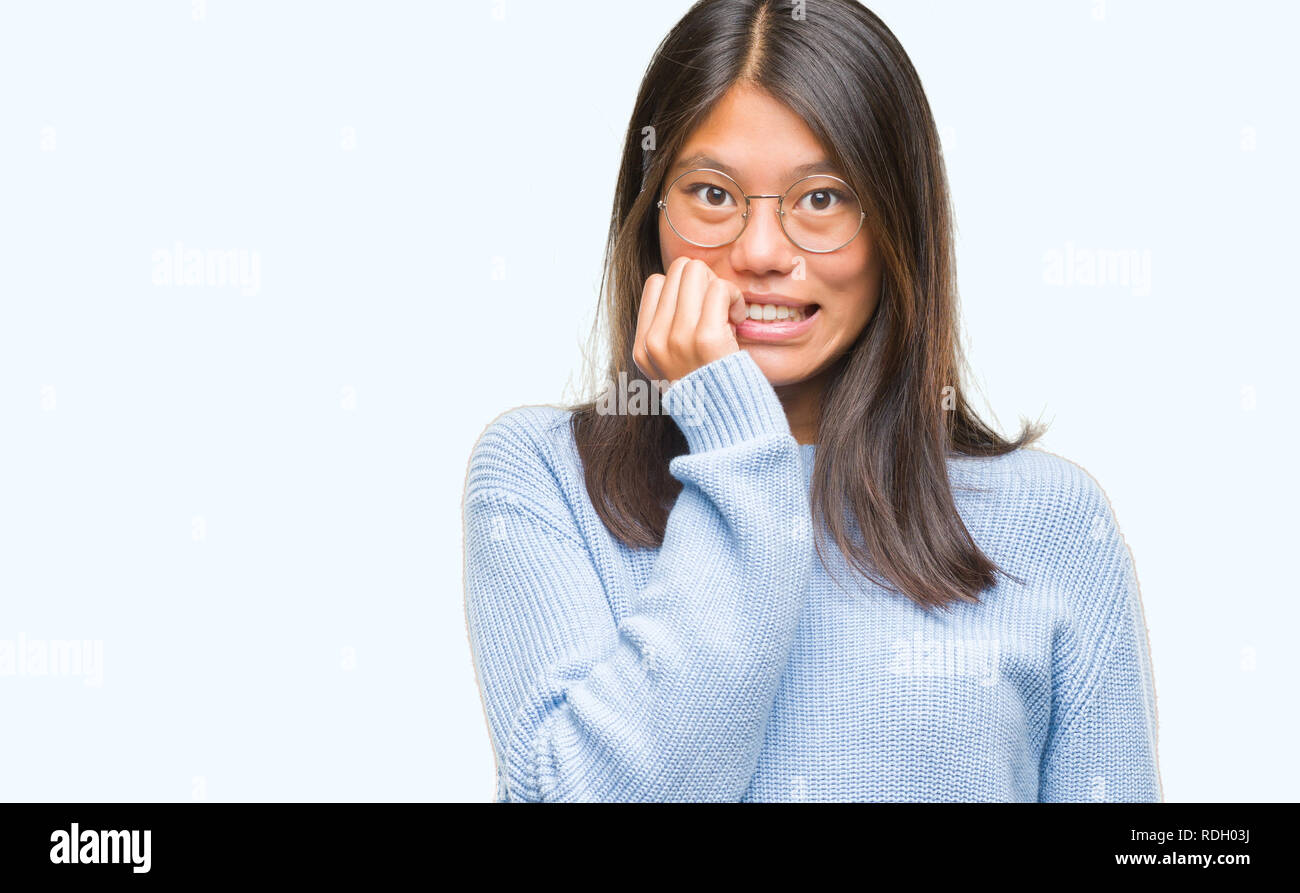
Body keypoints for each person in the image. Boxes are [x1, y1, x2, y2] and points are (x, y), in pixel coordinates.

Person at [462, 0, 1161, 802]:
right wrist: (733, 445)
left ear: (900, 223)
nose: (761, 253)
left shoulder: (1053, 518)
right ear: (650, 210)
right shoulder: (544, 480)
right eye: (713, 194)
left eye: (823, 198)